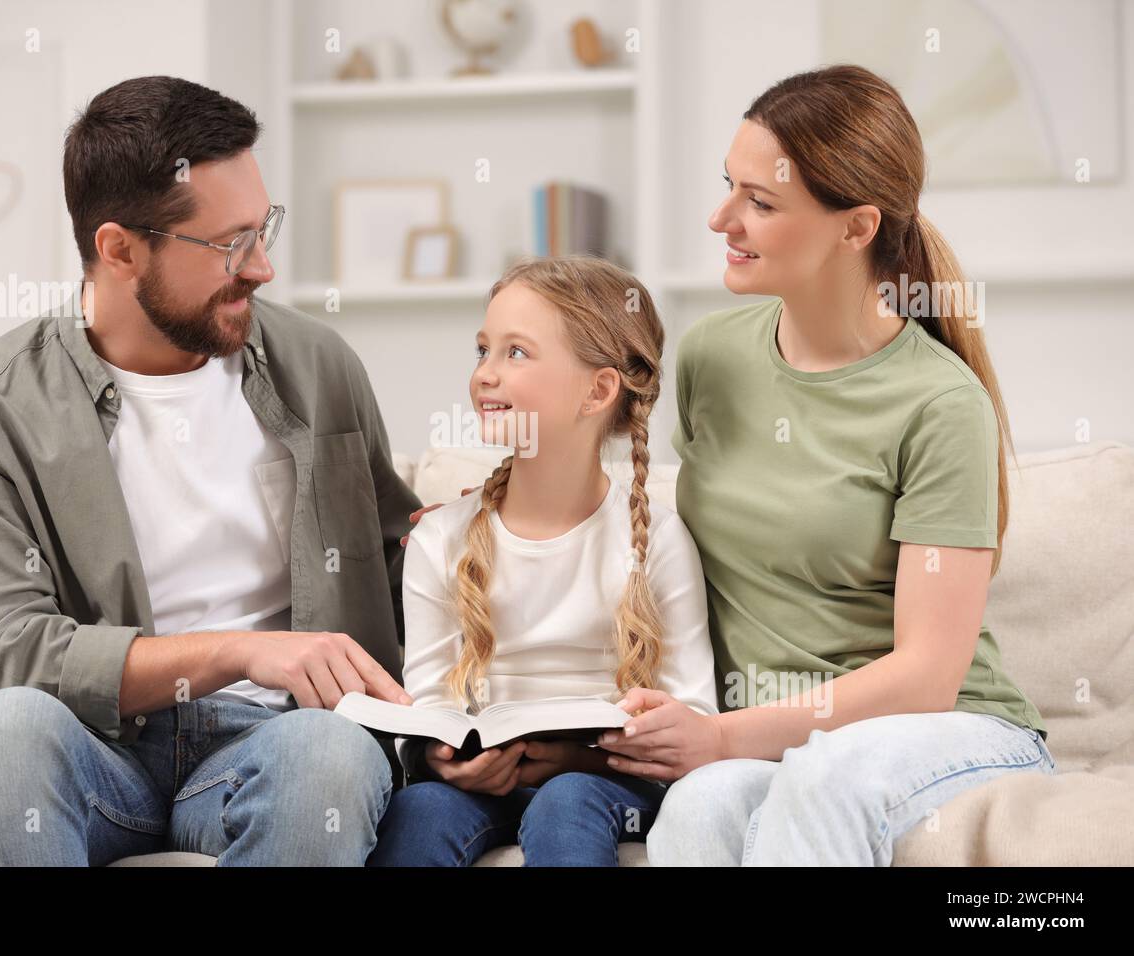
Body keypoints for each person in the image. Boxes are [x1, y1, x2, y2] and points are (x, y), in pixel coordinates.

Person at [0, 76, 420, 866]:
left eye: (264, 230)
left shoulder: (319, 367)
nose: (262, 270)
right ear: (119, 249)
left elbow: (399, 563)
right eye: (230, 245)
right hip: (93, 749)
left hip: (274, 743)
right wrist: (239, 651)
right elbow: (5, 654)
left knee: (330, 754)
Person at [605, 65, 1054, 866]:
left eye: (760, 203)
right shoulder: (711, 356)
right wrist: (494, 514)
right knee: (699, 808)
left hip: (946, 730)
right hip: (780, 734)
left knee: (823, 781)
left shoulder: (941, 404)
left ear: (856, 228)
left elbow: (926, 678)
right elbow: (655, 538)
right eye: (727, 188)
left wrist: (722, 735)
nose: (721, 219)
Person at [368, 256, 718, 867]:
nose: (485, 374)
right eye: (483, 350)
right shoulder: (440, 537)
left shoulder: (657, 538)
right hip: (483, 783)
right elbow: (428, 706)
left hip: (607, 781)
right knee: (418, 813)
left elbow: (695, 711)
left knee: (566, 802)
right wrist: (449, 760)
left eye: (517, 353)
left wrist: (582, 757)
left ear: (599, 389)